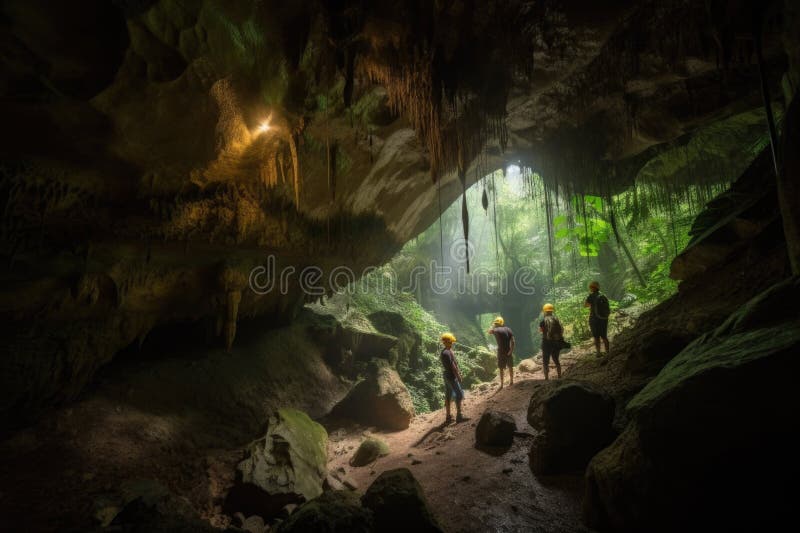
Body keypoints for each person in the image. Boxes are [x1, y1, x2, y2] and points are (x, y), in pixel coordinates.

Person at [440, 332, 466, 424]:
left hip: (446, 375)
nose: (452, 344)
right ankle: (459, 416)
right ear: (447, 342)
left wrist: (458, 372)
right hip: (451, 376)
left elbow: (454, 364)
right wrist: (458, 376)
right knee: (459, 394)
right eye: (451, 342)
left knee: (448, 395)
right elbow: (452, 366)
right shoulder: (447, 353)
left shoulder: (446, 351)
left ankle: (448, 417)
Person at [487, 316, 515, 389]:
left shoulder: (495, 330)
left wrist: (493, 325)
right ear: (502, 323)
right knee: (510, 366)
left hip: (501, 351)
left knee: (501, 368)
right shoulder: (508, 329)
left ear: (496, 323)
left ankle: (502, 384)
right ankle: (511, 381)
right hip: (508, 350)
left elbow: (489, 331)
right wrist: (511, 350)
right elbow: (513, 341)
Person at [584, 281, 610, 356]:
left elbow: (585, 305)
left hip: (594, 319)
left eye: (590, 287)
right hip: (604, 319)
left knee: (596, 337)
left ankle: (598, 353)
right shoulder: (603, 295)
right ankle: (608, 352)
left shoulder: (591, 296)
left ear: (592, 288)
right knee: (604, 336)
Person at [538, 303, 563, 380]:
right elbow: (561, 330)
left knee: (545, 361)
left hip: (546, 343)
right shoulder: (556, 320)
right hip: (555, 342)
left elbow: (541, 331)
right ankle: (559, 376)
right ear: (552, 311)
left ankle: (546, 378)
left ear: (544, 311)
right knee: (556, 360)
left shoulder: (543, 321)